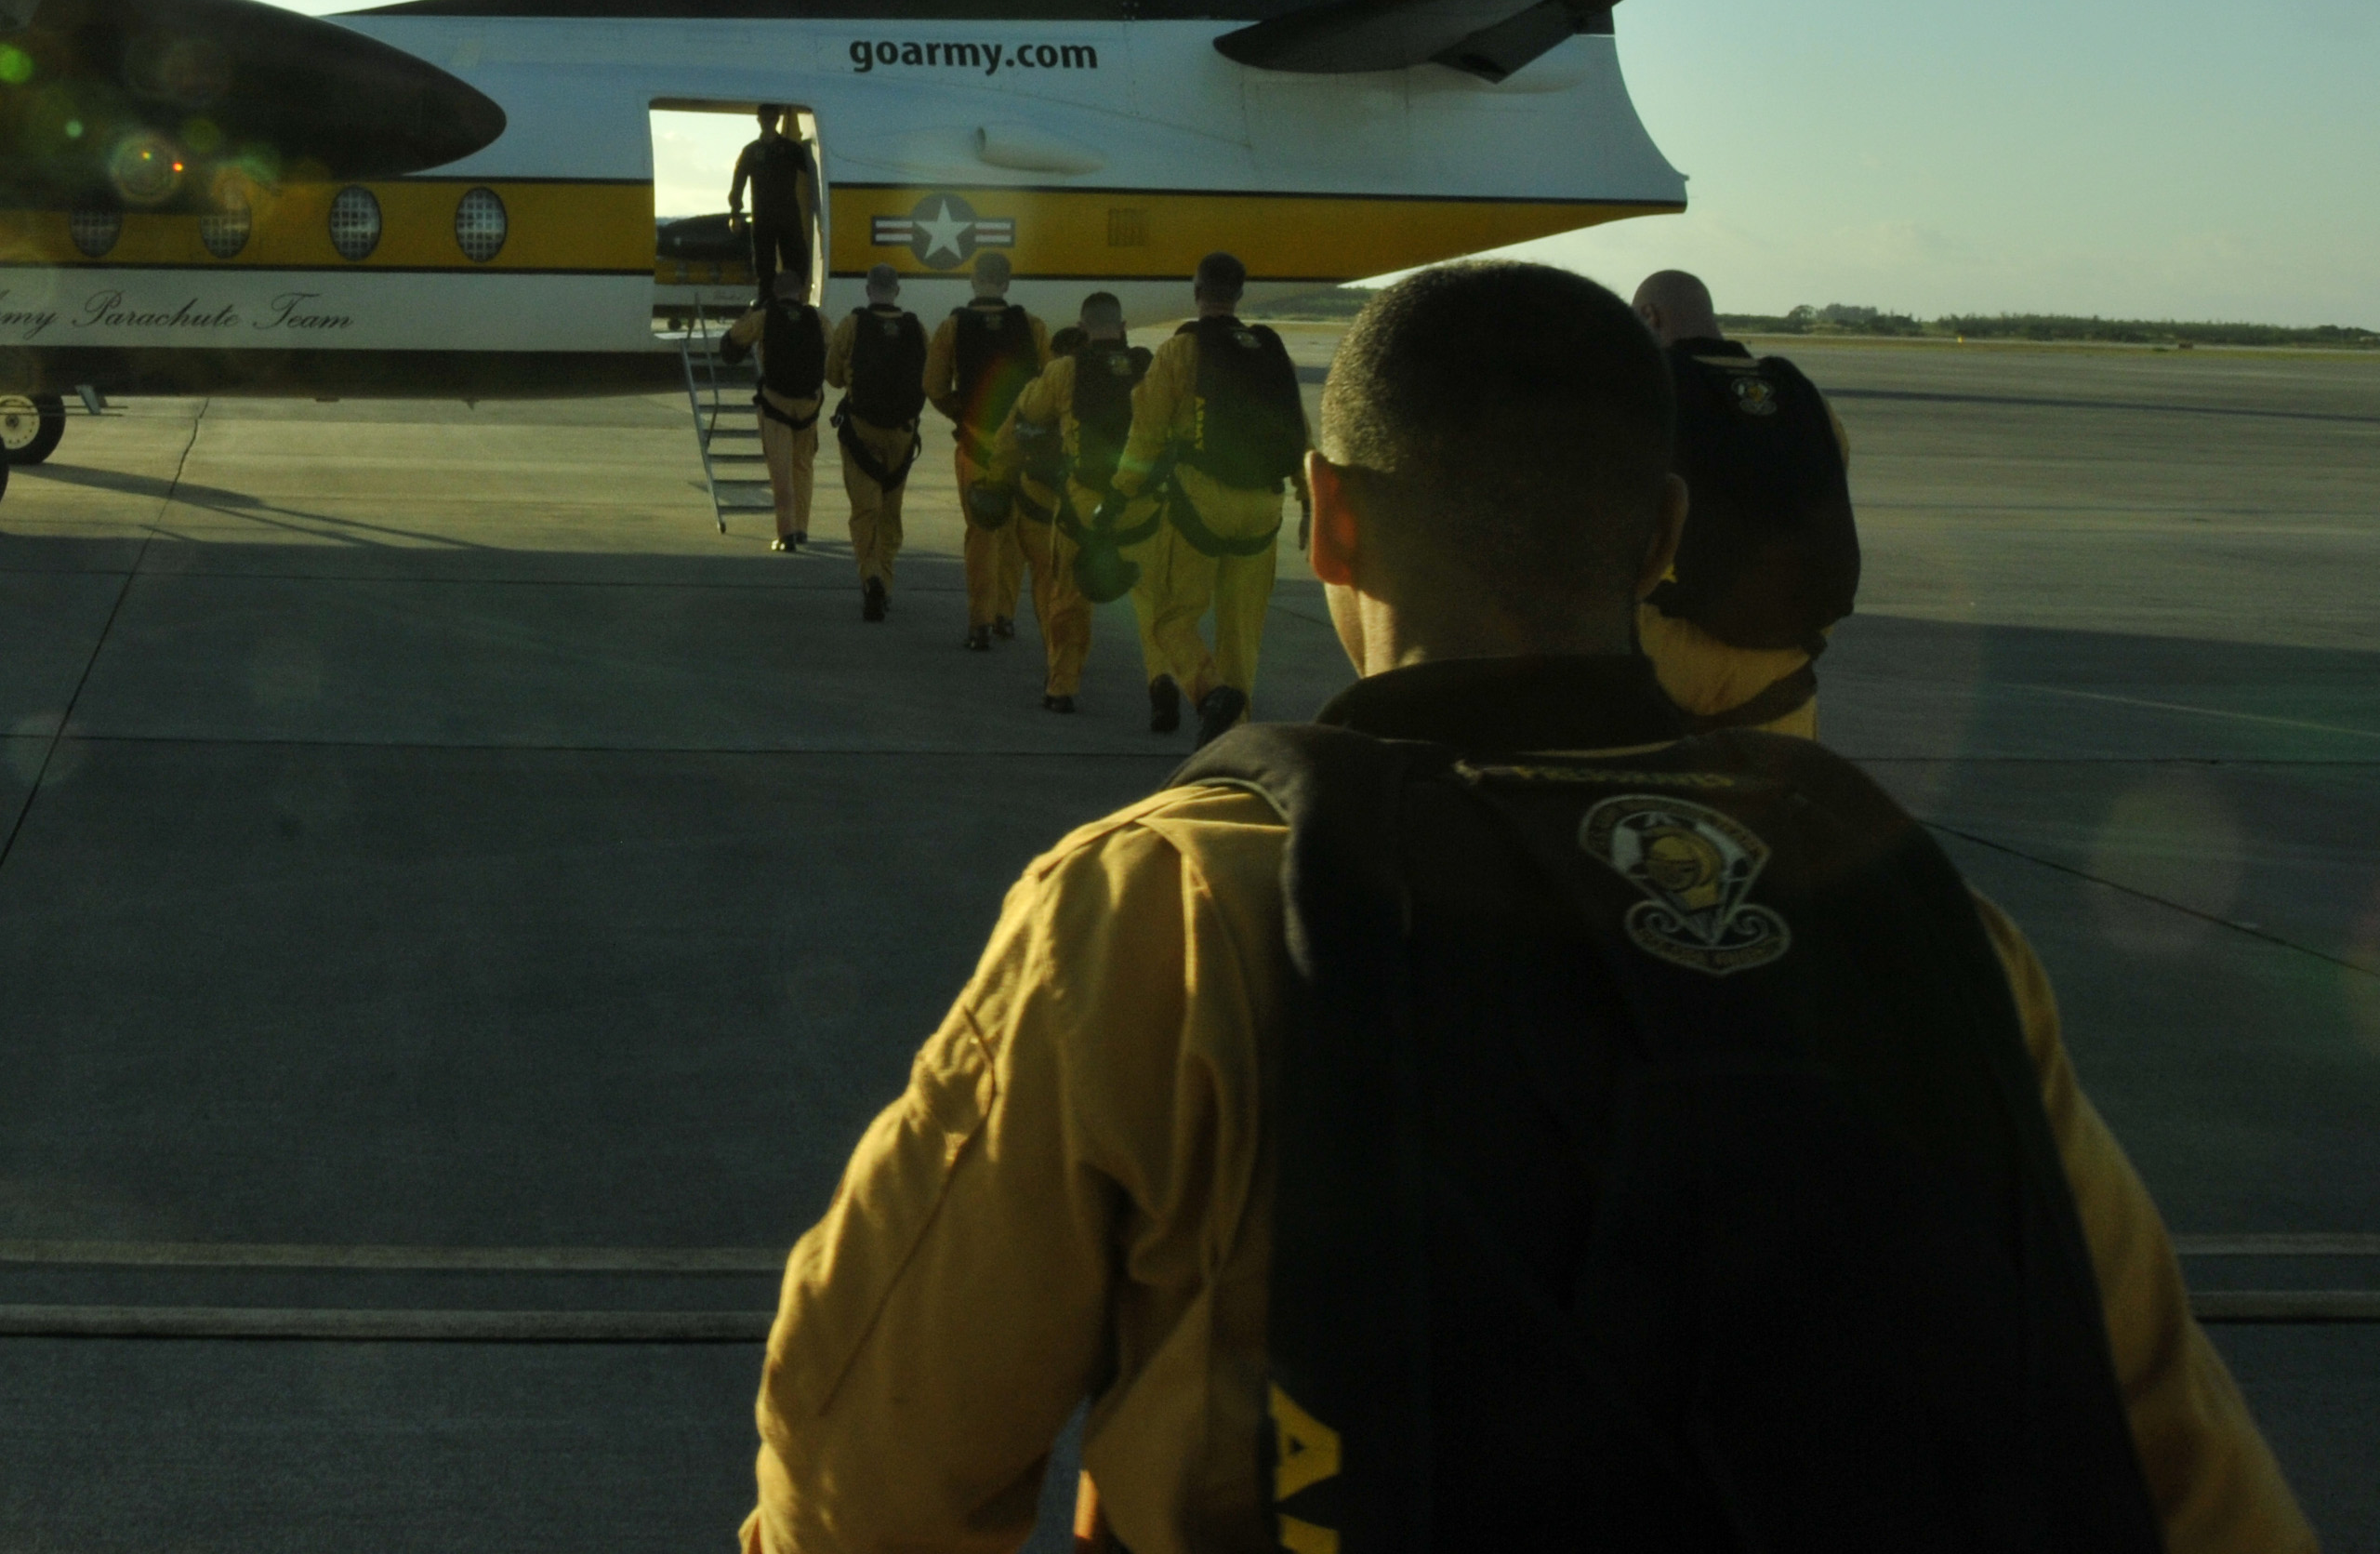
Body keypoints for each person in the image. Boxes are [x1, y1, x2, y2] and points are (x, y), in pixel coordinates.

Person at [741, 261, 2309, 1554]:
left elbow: (863, 1472)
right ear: (1662, 538)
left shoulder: (1171, 910)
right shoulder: (1923, 921)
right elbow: (2173, 1459)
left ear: (1330, 519)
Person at [1634, 267, 1858, 737]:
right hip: (1783, 681)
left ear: (1650, 316)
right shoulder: (1807, 399)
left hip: (1662, 673)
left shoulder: (1643, 394)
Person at [1108, 251, 1308, 739]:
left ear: (1197, 292)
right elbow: (1298, 433)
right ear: (1239, 294)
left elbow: (1146, 435)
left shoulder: (1180, 351)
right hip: (1264, 508)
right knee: (1240, 634)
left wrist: (1118, 496)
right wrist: (1309, 500)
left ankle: (1210, 693)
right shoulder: (1270, 350)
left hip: (1201, 504)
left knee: (1170, 618)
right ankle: (1231, 737)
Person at [987, 292, 1150, 711]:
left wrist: (997, 477)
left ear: (1081, 328)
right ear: (1123, 327)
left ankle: (1061, 687)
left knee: (1069, 601)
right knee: (1159, 605)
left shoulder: (1064, 371)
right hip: (1145, 506)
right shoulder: (1148, 367)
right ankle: (1164, 683)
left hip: (1085, 504)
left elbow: (1023, 417)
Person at [925, 251, 1047, 652]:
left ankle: (980, 622)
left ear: (973, 281)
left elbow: (934, 385)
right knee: (1013, 535)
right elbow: (1050, 384)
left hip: (976, 444)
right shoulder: (1032, 326)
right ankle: (1005, 616)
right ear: (1007, 284)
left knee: (981, 533)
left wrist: (958, 412)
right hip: (1022, 448)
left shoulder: (953, 326)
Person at [827, 264, 928, 621]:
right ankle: (885, 580)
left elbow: (833, 376)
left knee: (864, 511)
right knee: (890, 513)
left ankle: (870, 577)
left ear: (868, 290)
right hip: (903, 435)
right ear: (897, 291)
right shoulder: (916, 328)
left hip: (861, 430)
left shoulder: (852, 325)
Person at [722, 269, 828, 553]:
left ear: (775, 293)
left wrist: (751, 311)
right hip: (809, 405)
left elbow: (734, 339)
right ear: (801, 292)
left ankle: (786, 533)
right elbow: (834, 348)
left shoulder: (765, 317)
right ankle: (802, 527)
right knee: (803, 466)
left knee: (780, 470)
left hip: (776, 405)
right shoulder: (817, 319)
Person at [727, 106, 823, 307]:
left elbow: (816, 173)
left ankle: (794, 299)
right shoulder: (751, 151)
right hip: (763, 215)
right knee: (764, 265)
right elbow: (738, 182)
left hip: (788, 214)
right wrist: (735, 213)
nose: (768, 123)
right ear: (759, 120)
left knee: (796, 260)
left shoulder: (790, 149)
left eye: (772, 119)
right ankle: (766, 302)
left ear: (777, 120)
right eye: (765, 119)